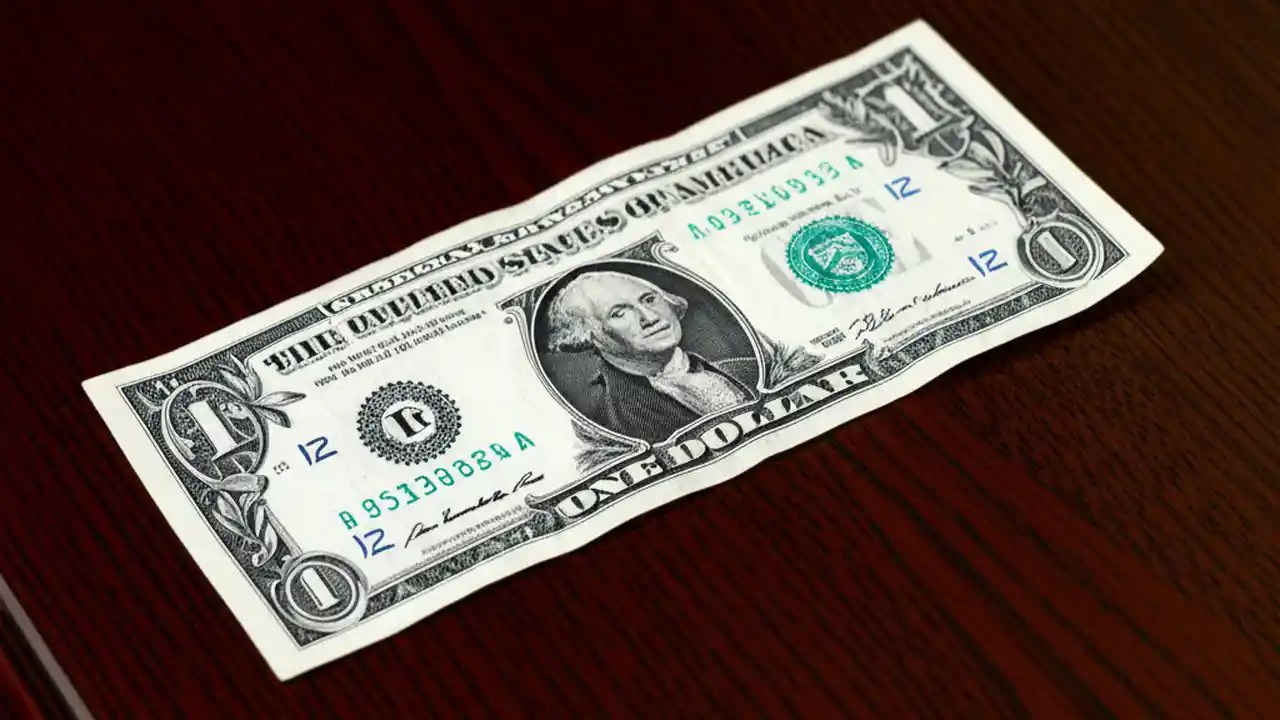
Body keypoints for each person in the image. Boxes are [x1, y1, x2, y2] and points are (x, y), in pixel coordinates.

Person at [546, 270, 756, 444]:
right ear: (589, 339)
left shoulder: (750, 370)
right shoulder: (610, 429)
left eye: (649, 299)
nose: (650, 317)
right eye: (619, 313)